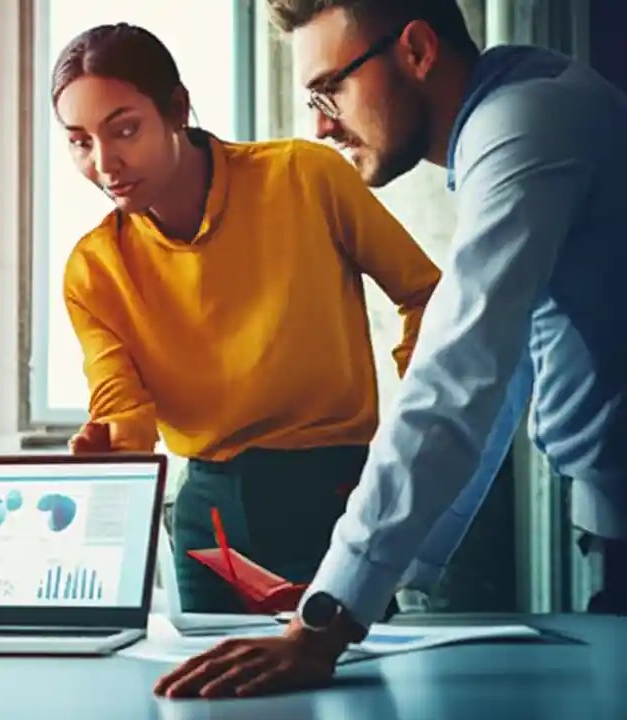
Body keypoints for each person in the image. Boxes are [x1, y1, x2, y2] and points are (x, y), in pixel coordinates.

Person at [157, 0, 627, 699]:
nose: (320, 124)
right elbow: (500, 376)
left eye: (331, 89)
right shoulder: (521, 112)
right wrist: (377, 579)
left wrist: (325, 620)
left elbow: (456, 374)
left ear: (416, 50)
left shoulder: (523, 125)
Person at [53, 24, 441, 613]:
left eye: (125, 129)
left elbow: (427, 294)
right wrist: (108, 450)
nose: (105, 163)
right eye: (80, 142)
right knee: (210, 700)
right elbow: (124, 412)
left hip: (332, 497)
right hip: (208, 519)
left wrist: (413, 421)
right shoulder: (93, 268)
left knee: (352, 693)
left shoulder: (304, 177)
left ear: (177, 109)